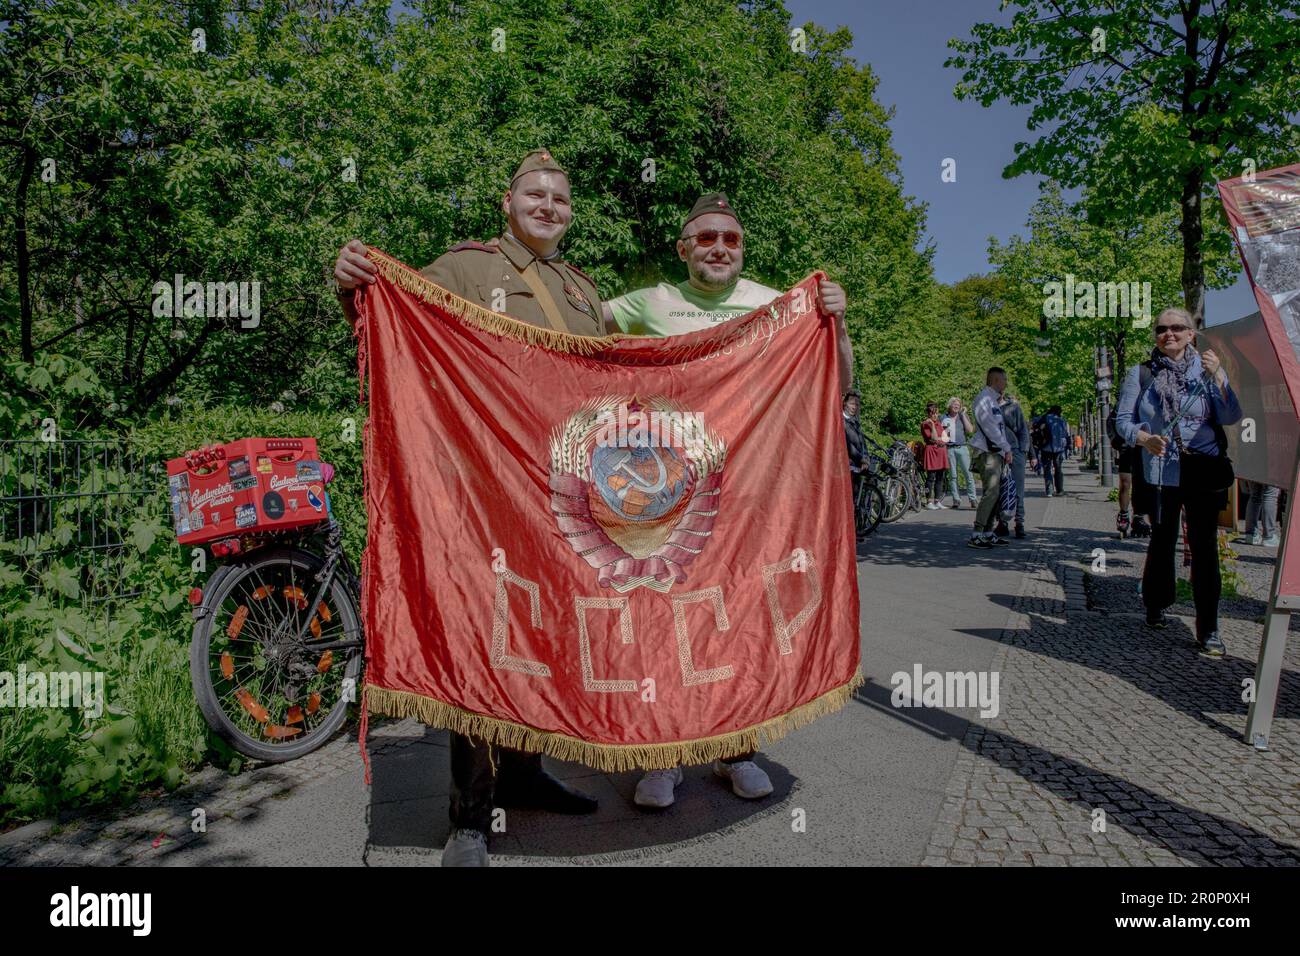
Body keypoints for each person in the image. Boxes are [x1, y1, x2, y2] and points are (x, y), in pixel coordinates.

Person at [334, 149, 606, 867]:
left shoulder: (584, 292)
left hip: (563, 497)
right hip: (483, 493)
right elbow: (392, 322)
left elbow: (610, 384)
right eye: (535, 195)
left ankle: (527, 772)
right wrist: (352, 284)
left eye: (560, 198)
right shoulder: (464, 268)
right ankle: (470, 815)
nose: (549, 206)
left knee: (545, 642)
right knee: (485, 642)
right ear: (508, 202)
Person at [603, 191, 851, 810]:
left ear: (742, 250)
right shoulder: (649, 304)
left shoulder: (776, 305)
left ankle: (737, 751)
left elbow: (835, 385)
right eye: (706, 238)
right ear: (683, 248)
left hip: (753, 496)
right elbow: (566, 339)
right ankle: (662, 756)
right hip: (669, 494)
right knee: (662, 623)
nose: (719, 247)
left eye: (730, 239)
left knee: (741, 618)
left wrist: (837, 323)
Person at [1114, 306, 1242, 657]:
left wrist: (1220, 378)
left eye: (1176, 328)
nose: (1168, 334)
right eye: (1161, 329)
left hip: (1203, 469)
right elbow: (1122, 422)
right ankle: (1155, 603)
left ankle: (1209, 626)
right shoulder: (1141, 374)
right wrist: (1143, 439)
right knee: (1162, 540)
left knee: (1204, 548)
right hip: (1161, 470)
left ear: (1191, 334)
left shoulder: (1208, 369)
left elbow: (1231, 415)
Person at [967, 367, 1014, 549]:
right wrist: (1006, 448)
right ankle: (977, 533)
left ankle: (987, 532)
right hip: (988, 453)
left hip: (996, 453)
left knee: (995, 494)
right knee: (991, 493)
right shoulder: (984, 400)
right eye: (1004, 380)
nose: (1006, 383)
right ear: (995, 381)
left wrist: (1004, 451)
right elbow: (990, 429)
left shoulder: (992, 401)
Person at [1107, 406, 1152, 539]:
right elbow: (1113, 426)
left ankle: (1139, 516)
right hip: (1127, 447)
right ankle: (1124, 513)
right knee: (1125, 482)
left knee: (1144, 482)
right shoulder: (1121, 407)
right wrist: (1119, 444)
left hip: (1144, 447)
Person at [997, 392, 1033, 539]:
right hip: (996, 453)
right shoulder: (987, 408)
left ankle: (1019, 523)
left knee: (1018, 490)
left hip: (1015, 451)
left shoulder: (1013, 408)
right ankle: (1002, 523)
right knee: (998, 490)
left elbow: (1024, 431)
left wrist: (1024, 452)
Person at [941, 397, 977, 509]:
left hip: (962, 447)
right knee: (953, 476)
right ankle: (956, 499)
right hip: (950, 448)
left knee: (968, 474)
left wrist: (963, 415)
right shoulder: (944, 417)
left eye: (958, 405)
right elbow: (942, 434)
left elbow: (970, 430)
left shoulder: (962, 416)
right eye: (954, 404)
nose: (956, 406)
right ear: (949, 405)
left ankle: (973, 499)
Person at [844, 390, 869, 538]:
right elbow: (848, 446)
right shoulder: (841, 421)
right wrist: (861, 459)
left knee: (856, 500)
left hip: (858, 464)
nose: (855, 407)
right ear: (845, 403)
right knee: (849, 501)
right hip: (849, 464)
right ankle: (849, 533)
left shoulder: (855, 422)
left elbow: (862, 443)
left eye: (857, 404)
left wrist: (866, 457)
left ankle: (856, 531)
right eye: (853, 403)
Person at [920, 402, 951, 509]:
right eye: (933, 413)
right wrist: (933, 426)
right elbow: (933, 438)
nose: (935, 415)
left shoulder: (939, 423)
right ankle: (929, 501)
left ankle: (937, 500)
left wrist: (940, 438)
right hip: (932, 452)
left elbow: (946, 439)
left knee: (940, 477)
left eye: (936, 413)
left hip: (941, 452)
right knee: (931, 477)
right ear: (928, 413)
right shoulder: (925, 424)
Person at [1035, 405, 1069, 496]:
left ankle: (1049, 490)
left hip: (1046, 447)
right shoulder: (1062, 420)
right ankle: (1059, 490)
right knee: (1058, 469)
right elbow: (1065, 434)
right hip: (1058, 448)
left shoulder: (1044, 418)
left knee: (1047, 469)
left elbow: (1036, 429)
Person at [1242, 480, 1281, 547]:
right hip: (1271, 470)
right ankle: (1269, 537)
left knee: (1254, 496)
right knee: (1270, 495)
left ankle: (1251, 535)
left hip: (1252, 469)